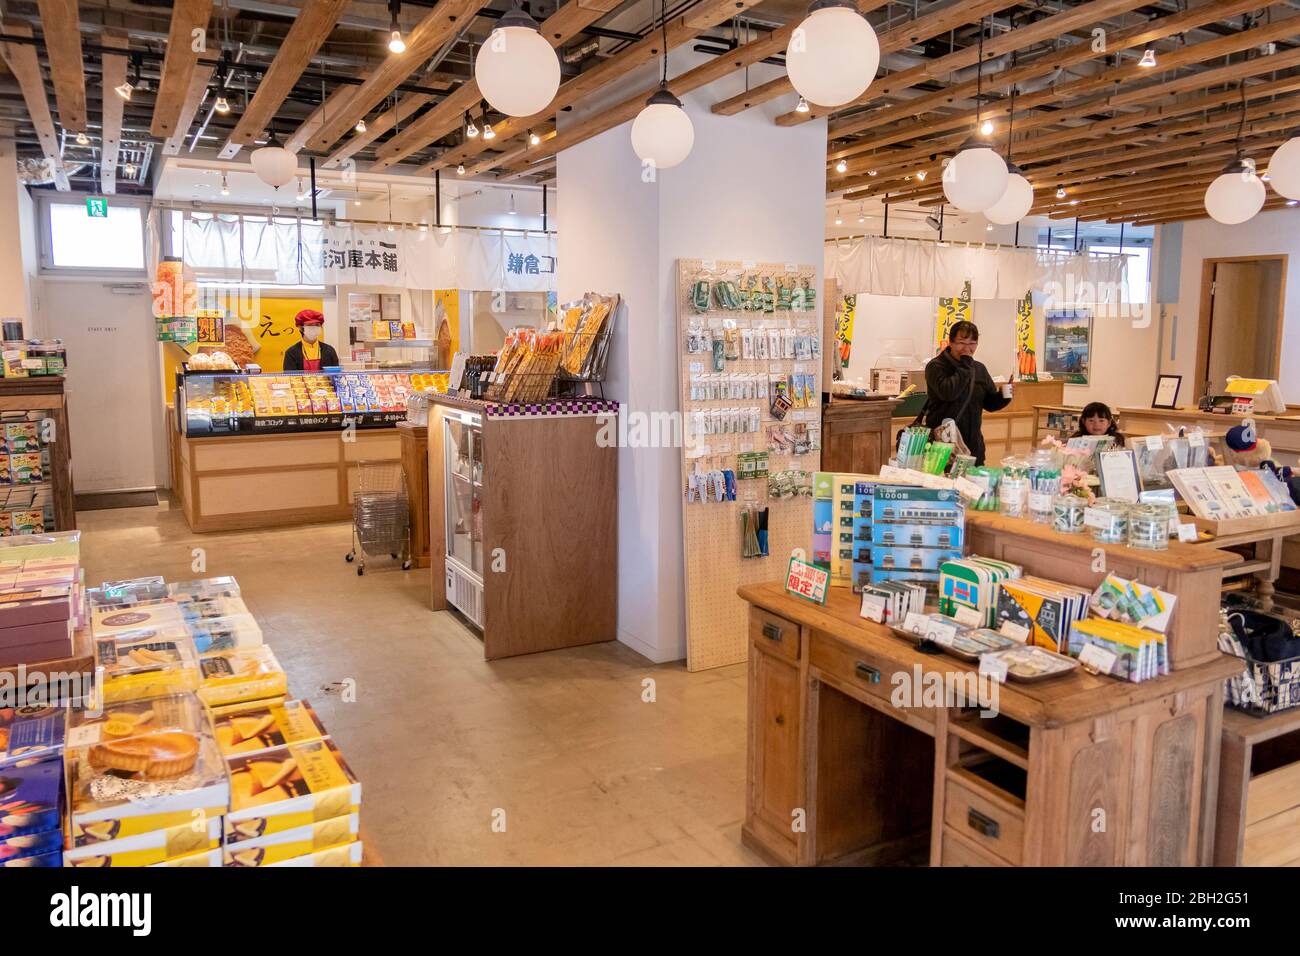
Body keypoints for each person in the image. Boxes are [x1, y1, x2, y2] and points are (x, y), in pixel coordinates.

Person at [923, 320, 1013, 465]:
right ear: (950, 343)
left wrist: (1005, 394)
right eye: (961, 343)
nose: (967, 348)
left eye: (972, 343)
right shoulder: (936, 366)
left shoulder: (979, 369)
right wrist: (965, 365)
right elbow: (949, 393)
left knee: (974, 485)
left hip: (973, 446)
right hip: (943, 446)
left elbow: (989, 404)